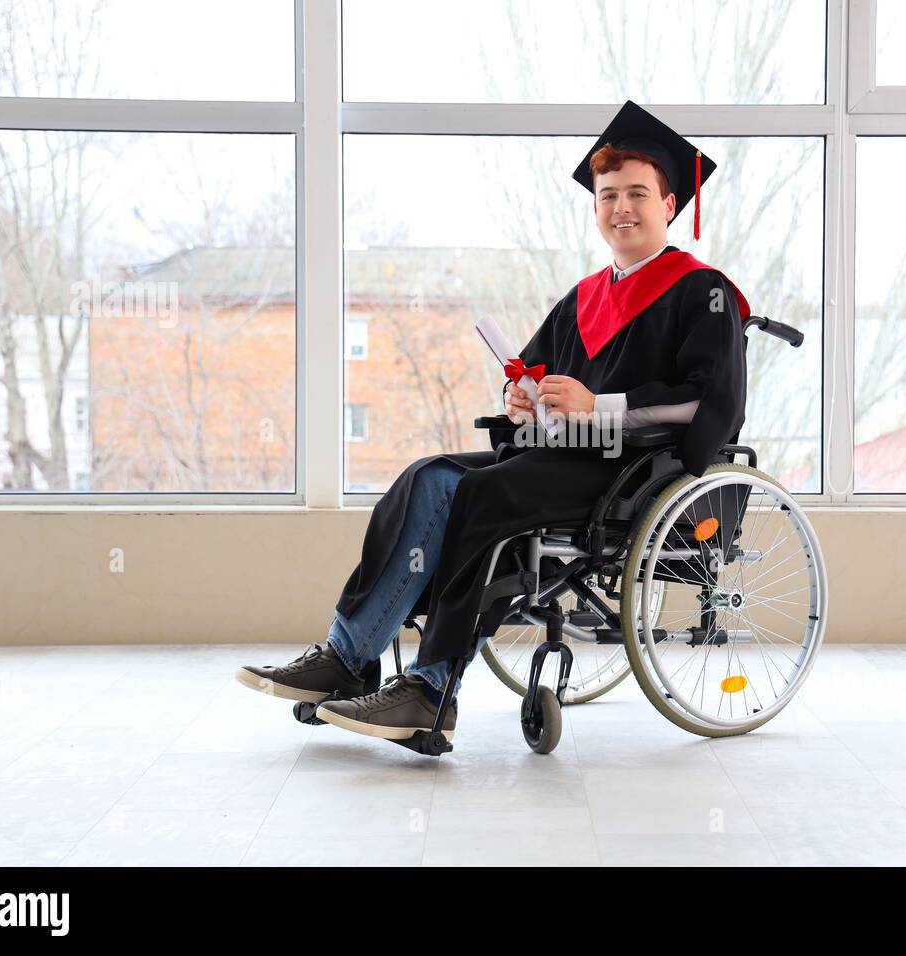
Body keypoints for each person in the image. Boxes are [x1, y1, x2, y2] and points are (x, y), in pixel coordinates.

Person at [235, 100, 751, 746]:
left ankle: (430, 689)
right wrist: (523, 399)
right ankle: (349, 655)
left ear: (670, 205)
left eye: (637, 194)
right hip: (560, 460)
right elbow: (533, 373)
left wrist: (599, 405)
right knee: (427, 478)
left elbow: (711, 403)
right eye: (608, 195)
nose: (621, 207)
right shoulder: (585, 298)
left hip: (636, 473)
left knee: (483, 494)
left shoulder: (703, 291)